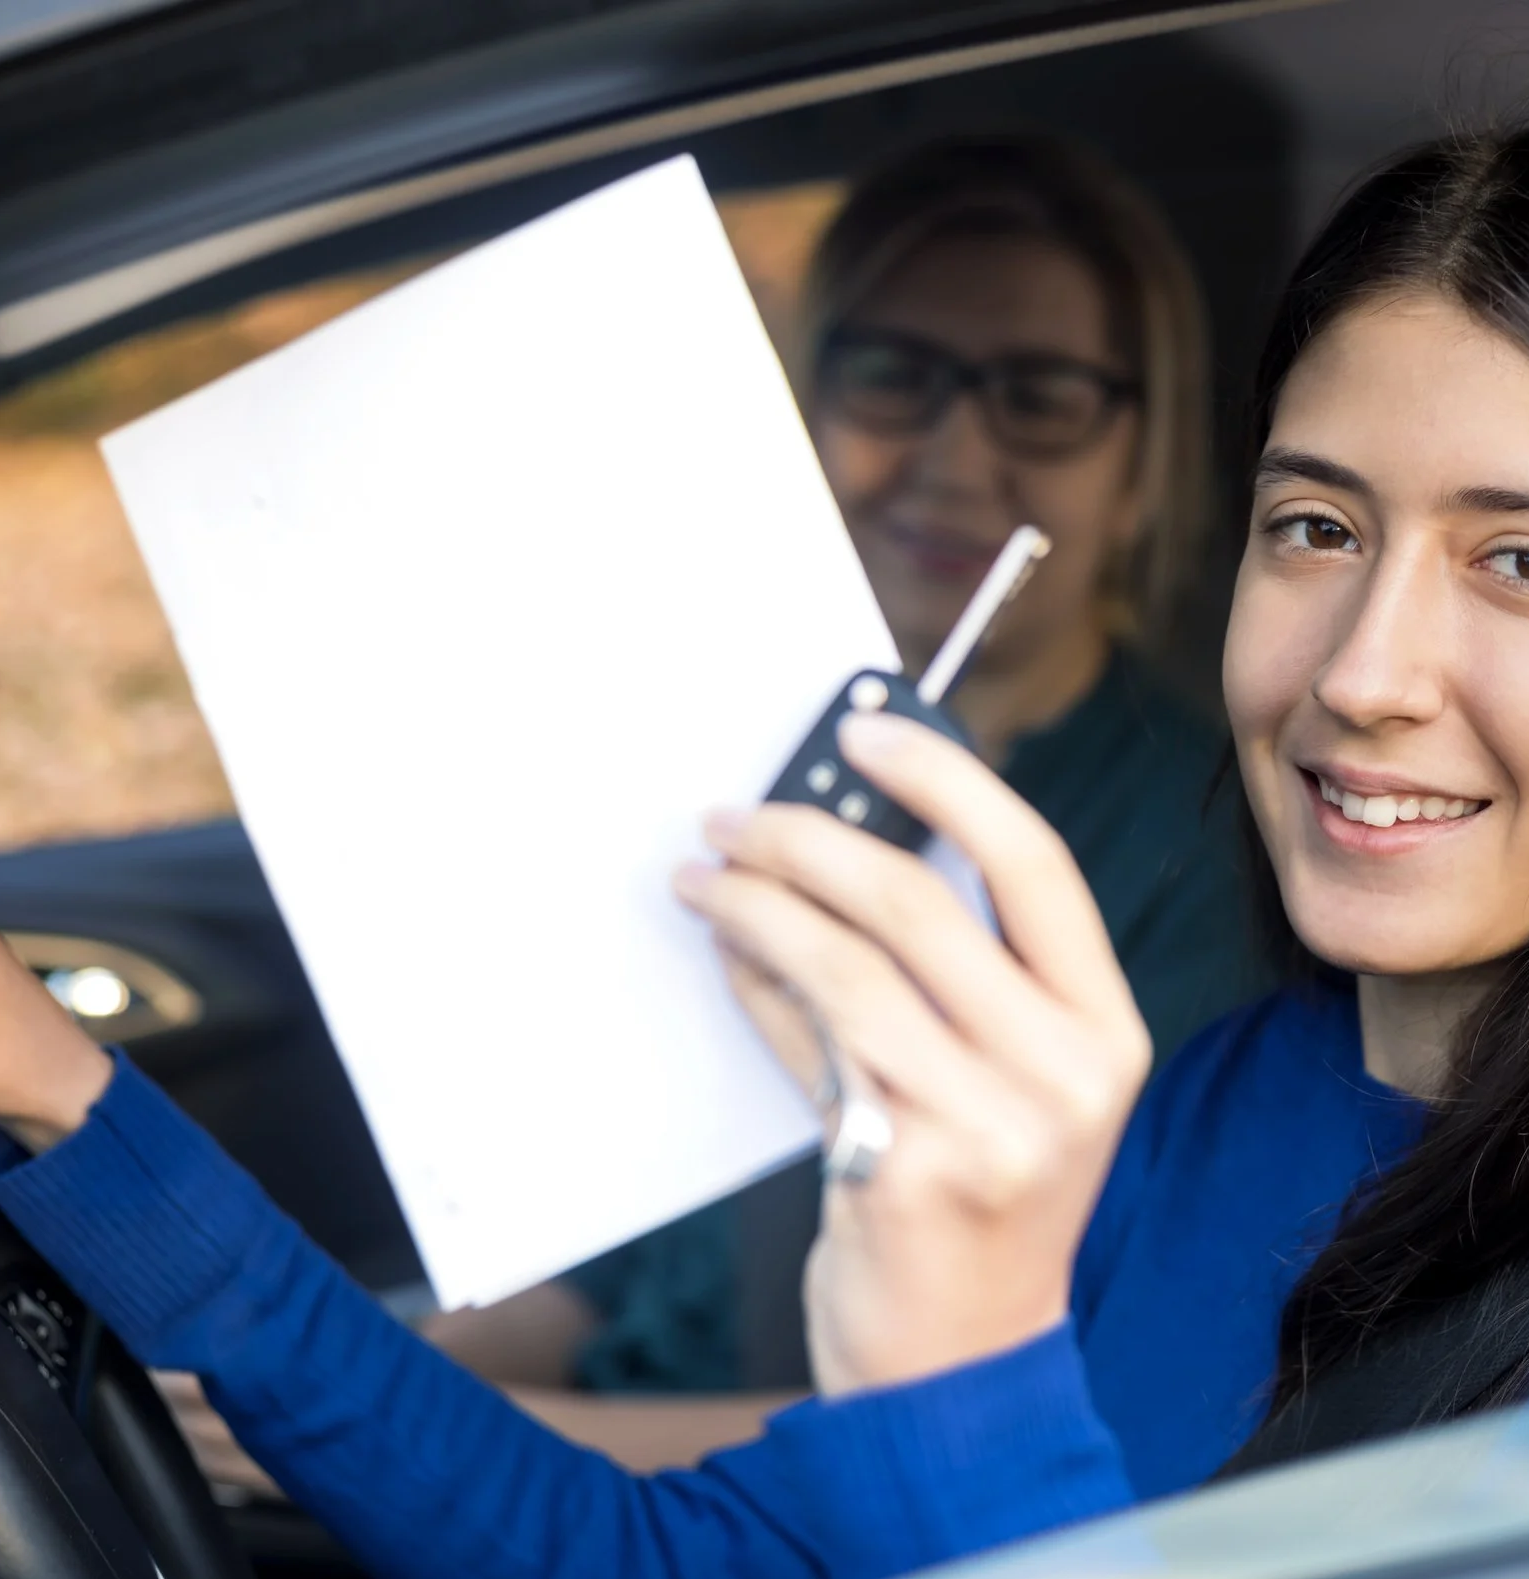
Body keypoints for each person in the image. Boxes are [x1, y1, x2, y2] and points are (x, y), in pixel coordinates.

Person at [0, 124, 1529, 1579]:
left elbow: (968, 1511)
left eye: (1523, 560)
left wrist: (966, 1359)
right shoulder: (1218, 1101)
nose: (1364, 670)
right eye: (1314, 527)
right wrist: (67, 1095)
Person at [373, 136, 1266, 1458]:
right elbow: (613, 1274)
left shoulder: (1200, 841)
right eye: (895, 377)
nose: (956, 461)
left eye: (1042, 396)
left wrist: (470, 1442)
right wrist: (376, 1385)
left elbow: (1063, 1394)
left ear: (1142, 466)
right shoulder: (718, 751)